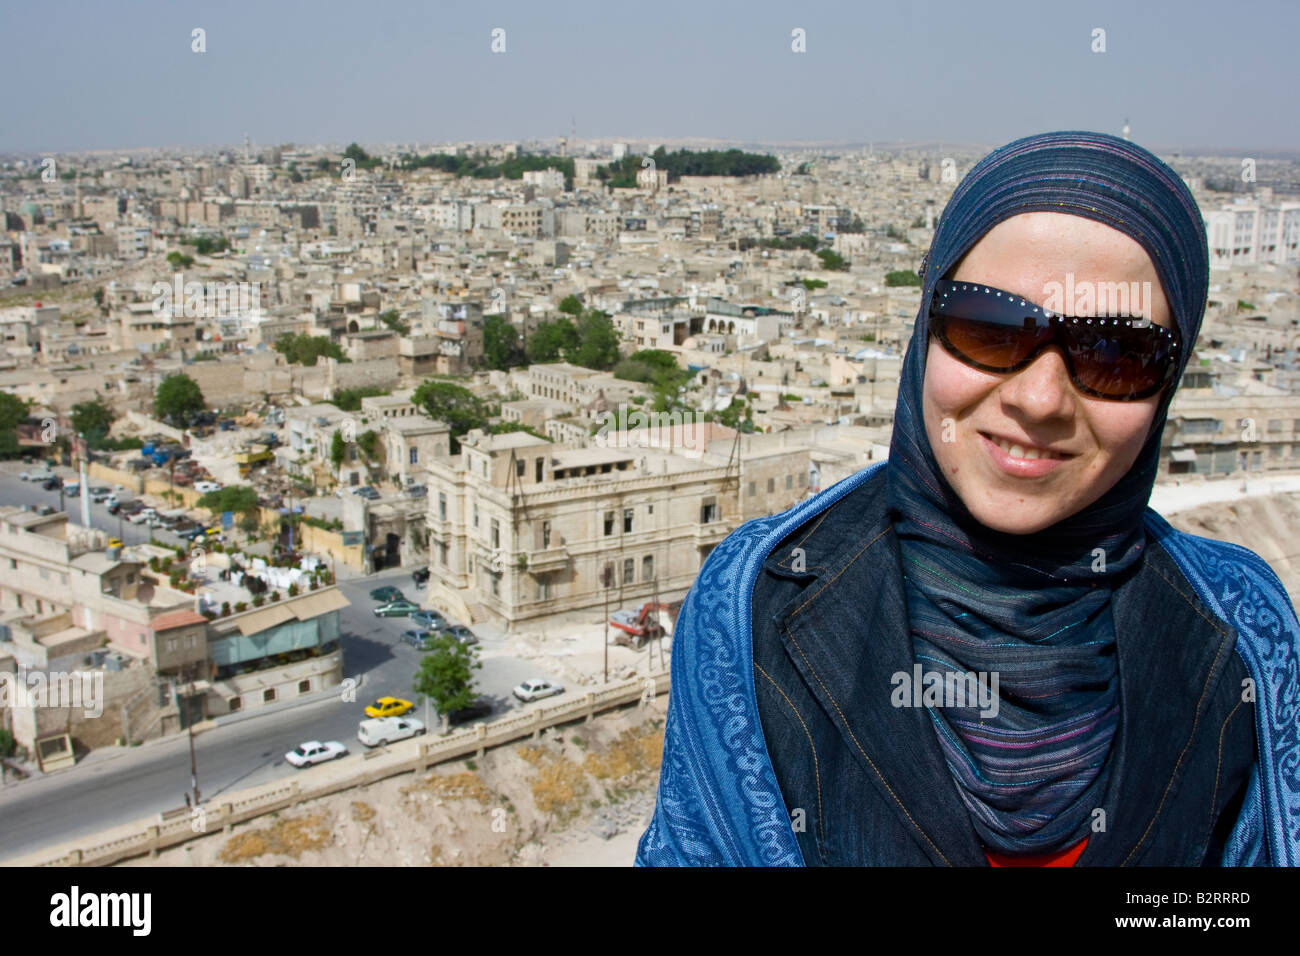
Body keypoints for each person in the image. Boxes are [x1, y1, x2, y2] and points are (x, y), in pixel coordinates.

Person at [635, 130, 1300, 866]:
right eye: (989, 327)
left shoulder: (1243, 632)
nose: (1041, 399)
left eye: (1116, 353)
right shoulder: (754, 605)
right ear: (926, 326)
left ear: (1168, 381)